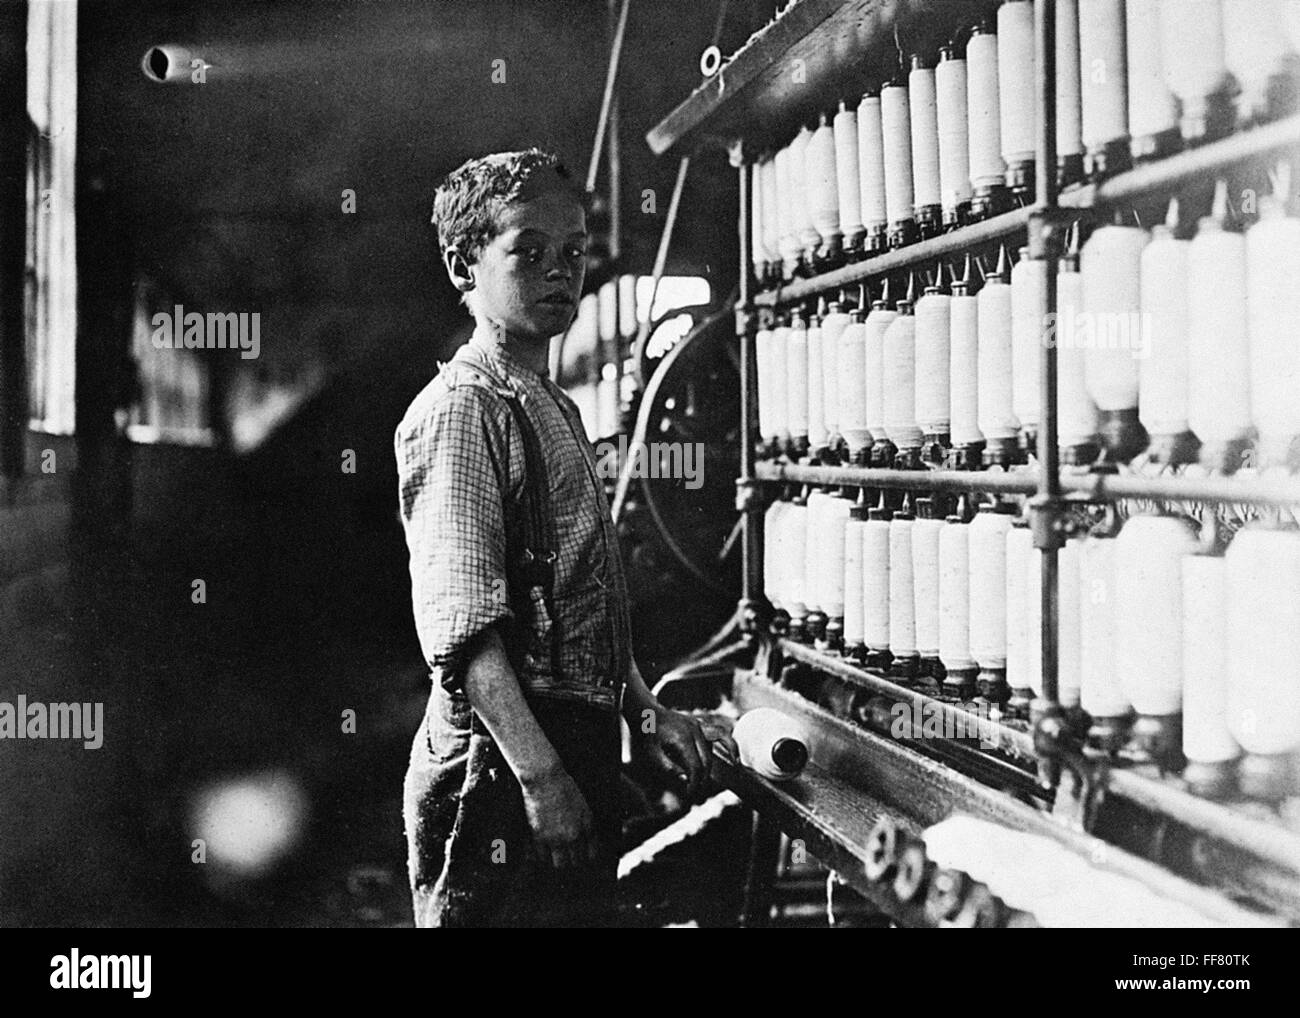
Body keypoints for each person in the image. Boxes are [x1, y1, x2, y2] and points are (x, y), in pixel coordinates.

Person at [396, 148, 729, 927]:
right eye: (530, 252)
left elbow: (589, 607)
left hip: (569, 746)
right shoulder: (461, 411)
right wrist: (542, 781)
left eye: (574, 252)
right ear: (462, 265)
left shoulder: (554, 408)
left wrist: (644, 718)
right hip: (498, 760)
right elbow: (465, 634)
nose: (561, 272)